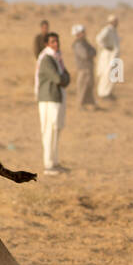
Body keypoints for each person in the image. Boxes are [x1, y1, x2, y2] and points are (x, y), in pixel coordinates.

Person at [36, 32, 71, 174]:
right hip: (49, 98)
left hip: (57, 97)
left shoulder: (57, 58)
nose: (56, 44)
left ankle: (55, 162)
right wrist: (64, 78)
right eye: (52, 42)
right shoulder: (46, 59)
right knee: (49, 130)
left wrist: (65, 78)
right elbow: (58, 79)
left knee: (56, 130)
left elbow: (67, 77)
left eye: (57, 41)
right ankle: (48, 165)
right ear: (46, 44)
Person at [70, 24, 99, 110]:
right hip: (83, 69)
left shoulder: (85, 43)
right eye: (82, 32)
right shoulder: (78, 44)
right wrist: (91, 53)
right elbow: (85, 55)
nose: (84, 33)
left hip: (88, 68)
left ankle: (90, 104)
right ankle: (80, 105)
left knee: (89, 87)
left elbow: (94, 51)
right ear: (78, 34)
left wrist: (91, 52)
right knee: (82, 87)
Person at [95, 15, 120, 100]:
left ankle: (108, 92)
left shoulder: (114, 31)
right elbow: (98, 39)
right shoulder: (107, 29)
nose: (117, 23)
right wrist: (106, 47)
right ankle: (102, 93)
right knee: (106, 74)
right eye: (115, 21)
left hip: (114, 56)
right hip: (108, 56)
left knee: (113, 75)